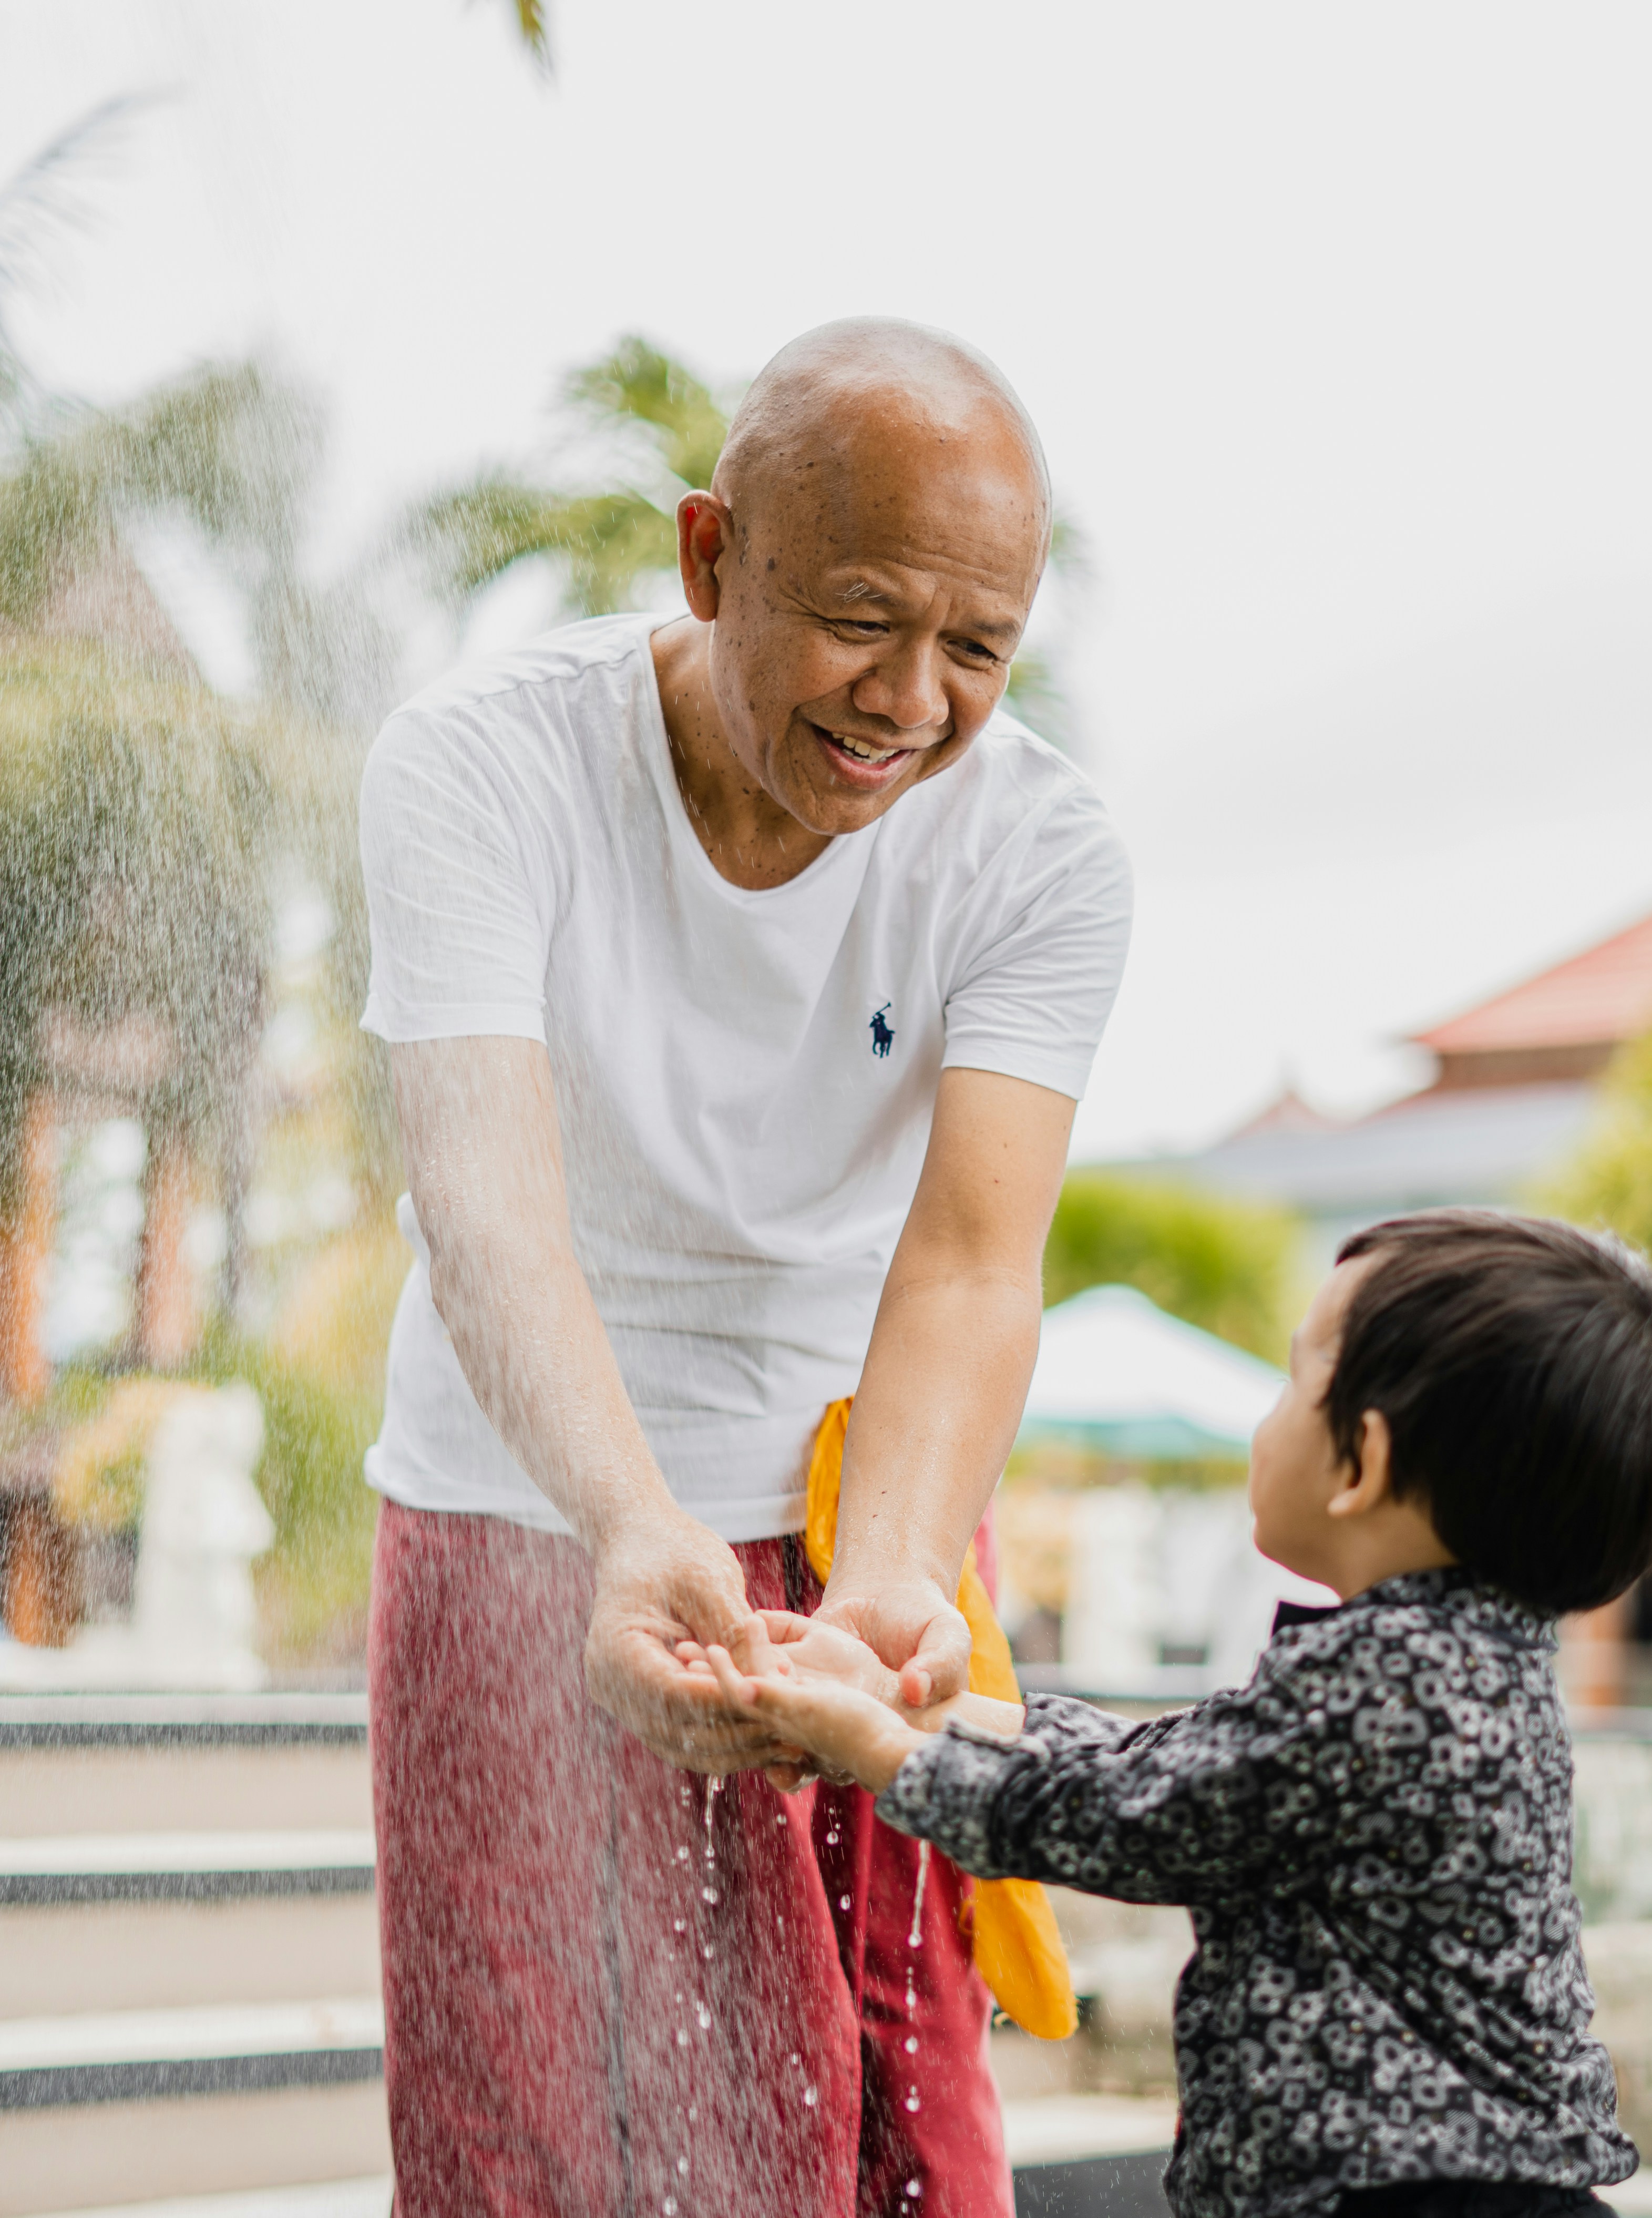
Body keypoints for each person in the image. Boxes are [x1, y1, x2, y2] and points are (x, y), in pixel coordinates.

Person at [357, 319, 1132, 2217]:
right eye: (865, 619)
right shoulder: (486, 763)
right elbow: (486, 1204)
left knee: (892, 2131)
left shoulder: (1043, 849)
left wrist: (879, 1593)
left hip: (853, 1500)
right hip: (518, 1514)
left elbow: (966, 1263)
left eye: (979, 649)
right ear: (712, 559)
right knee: (517, 2126)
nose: (913, 703)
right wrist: (624, 1521)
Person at [695, 1210, 1652, 2218]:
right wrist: (927, 1709)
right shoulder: (1466, 1670)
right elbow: (1179, 1761)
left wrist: (878, 1748)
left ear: (1358, 1463)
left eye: (1292, 1379)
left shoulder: (1396, 1687)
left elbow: (1131, 1816)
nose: (1265, 1419)